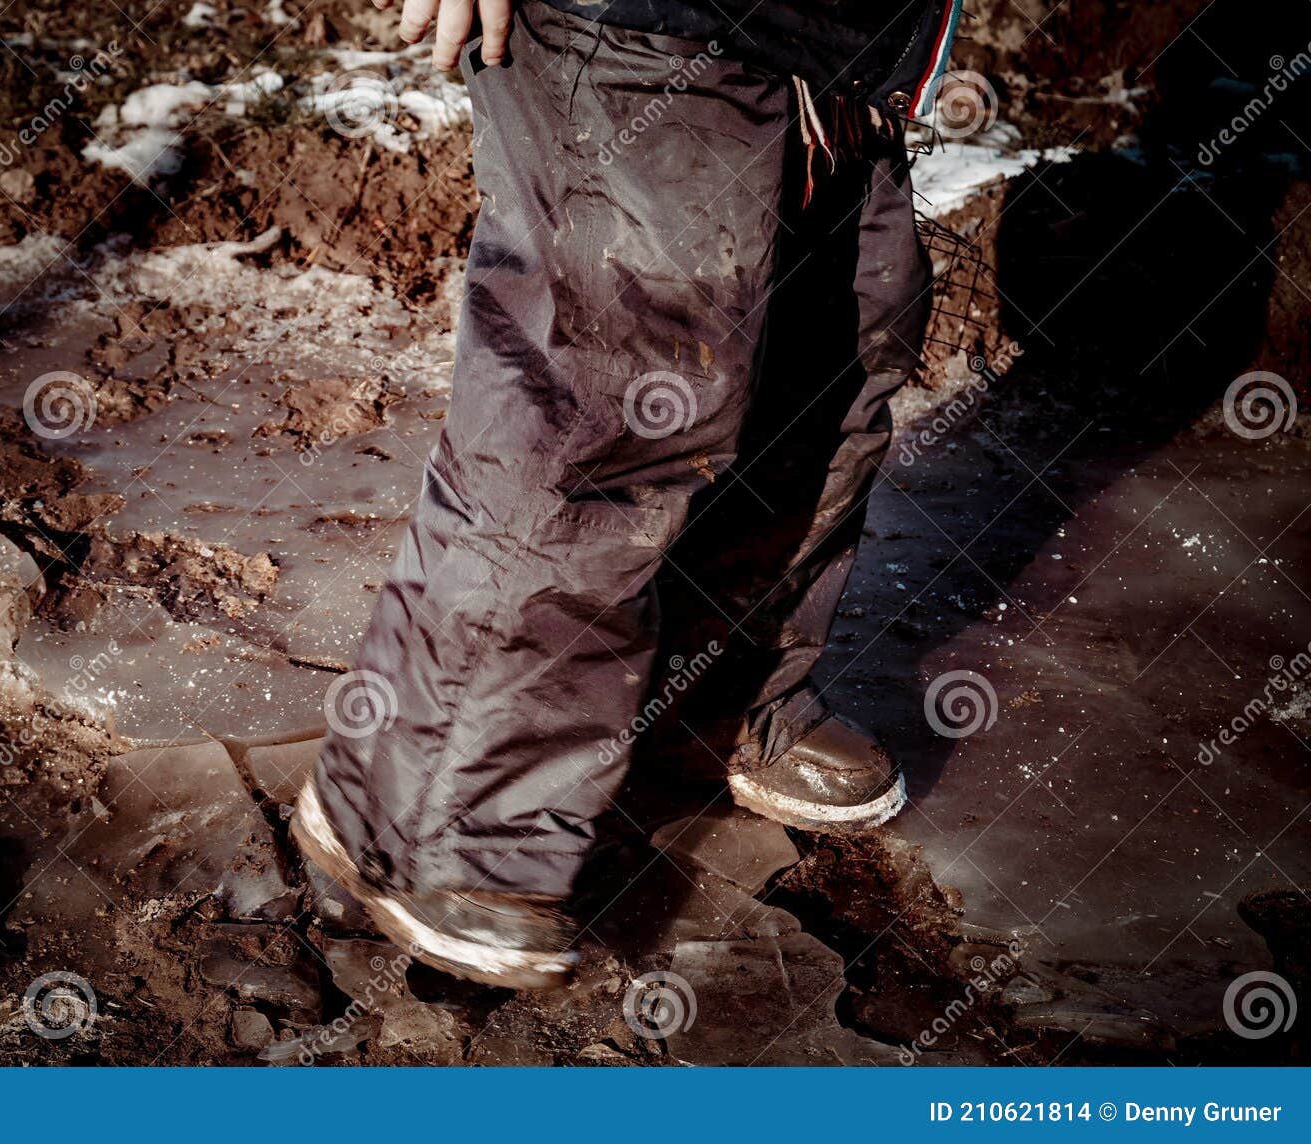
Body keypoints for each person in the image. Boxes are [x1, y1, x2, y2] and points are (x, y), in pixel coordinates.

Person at [291, 0, 961, 988]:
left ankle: (712, 699)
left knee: (836, 350)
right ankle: (429, 818)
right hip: (636, 26)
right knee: (609, 401)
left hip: (840, 45)